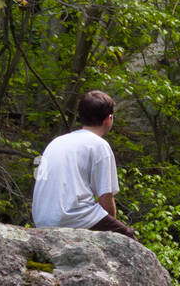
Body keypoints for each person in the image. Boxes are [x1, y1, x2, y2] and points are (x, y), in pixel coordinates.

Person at [32, 90, 137, 237]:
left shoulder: (57, 142)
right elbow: (106, 199)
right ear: (109, 119)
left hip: (42, 220)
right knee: (128, 239)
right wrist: (114, 233)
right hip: (71, 218)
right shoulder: (99, 145)